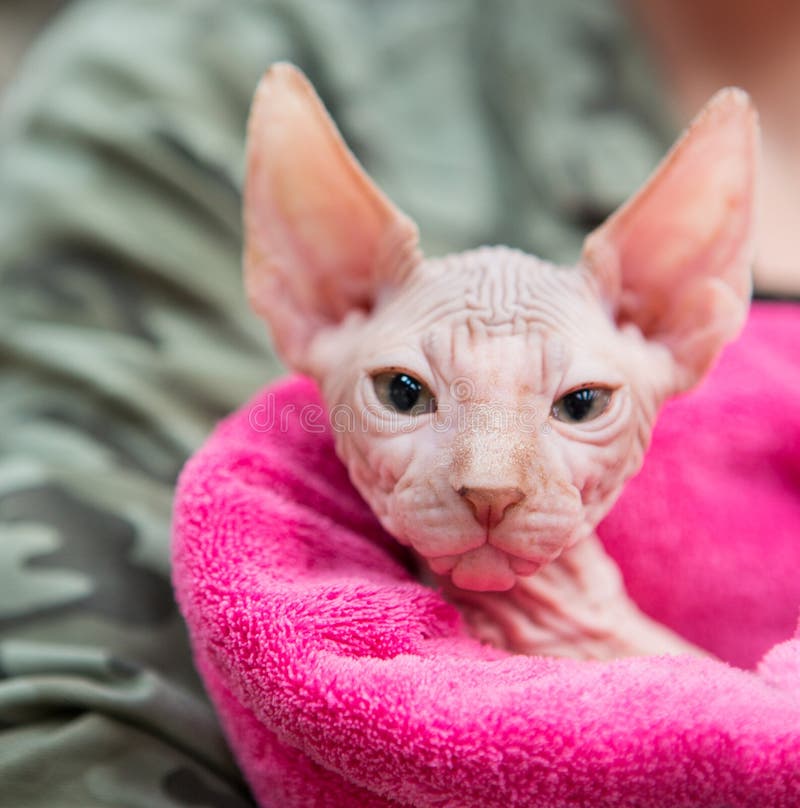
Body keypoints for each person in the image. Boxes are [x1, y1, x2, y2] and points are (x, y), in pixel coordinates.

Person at [0, 1, 796, 805]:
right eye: (405, 392)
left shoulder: (652, 338)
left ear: (676, 316)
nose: (491, 480)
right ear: (317, 296)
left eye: (581, 403)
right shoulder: (196, 60)